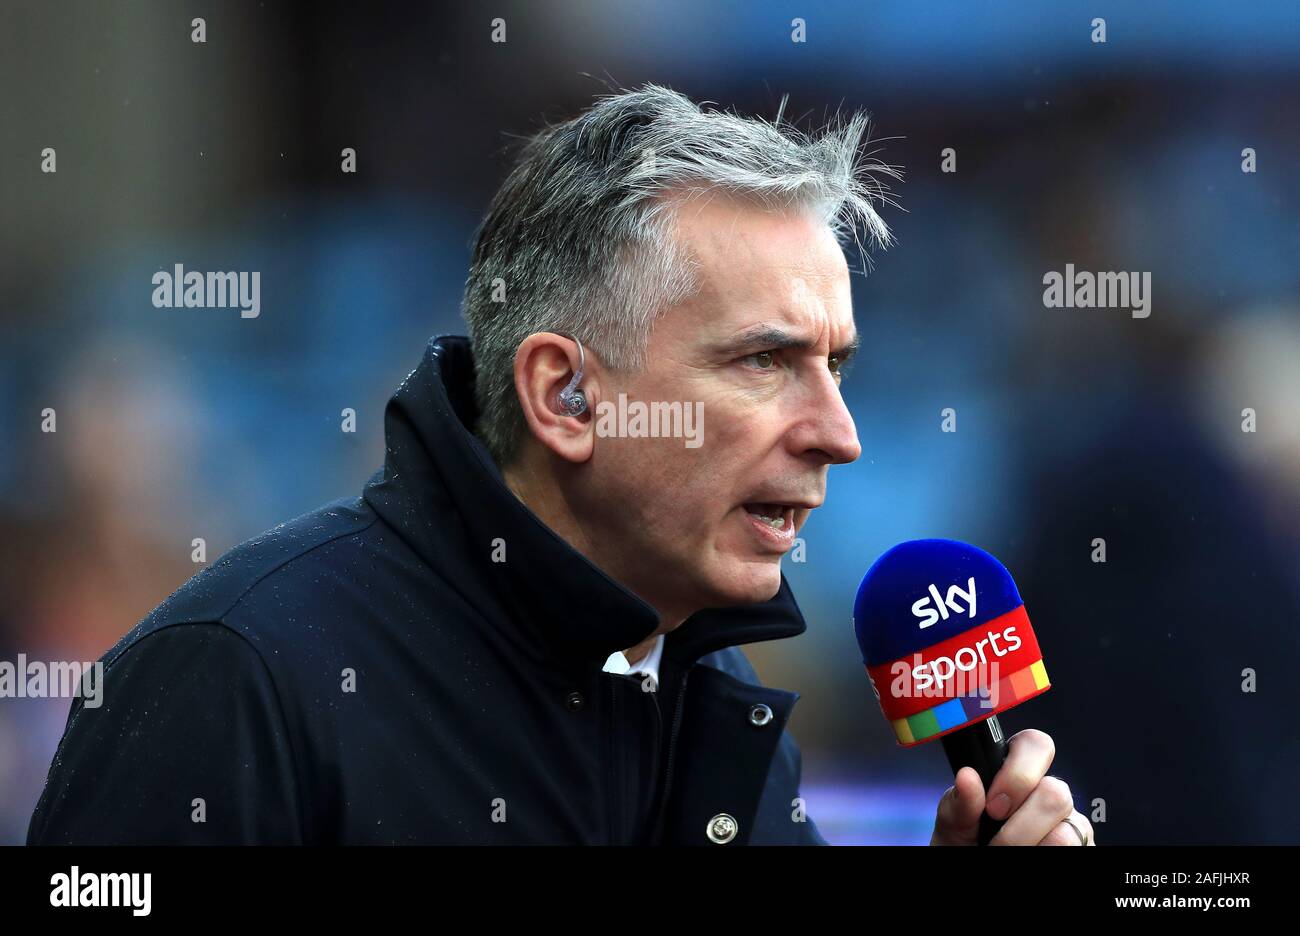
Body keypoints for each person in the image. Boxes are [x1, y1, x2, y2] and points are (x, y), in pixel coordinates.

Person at [28, 84, 1091, 845]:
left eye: (838, 366)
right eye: (767, 361)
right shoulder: (236, 675)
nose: (838, 431)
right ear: (564, 397)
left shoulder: (718, 701)